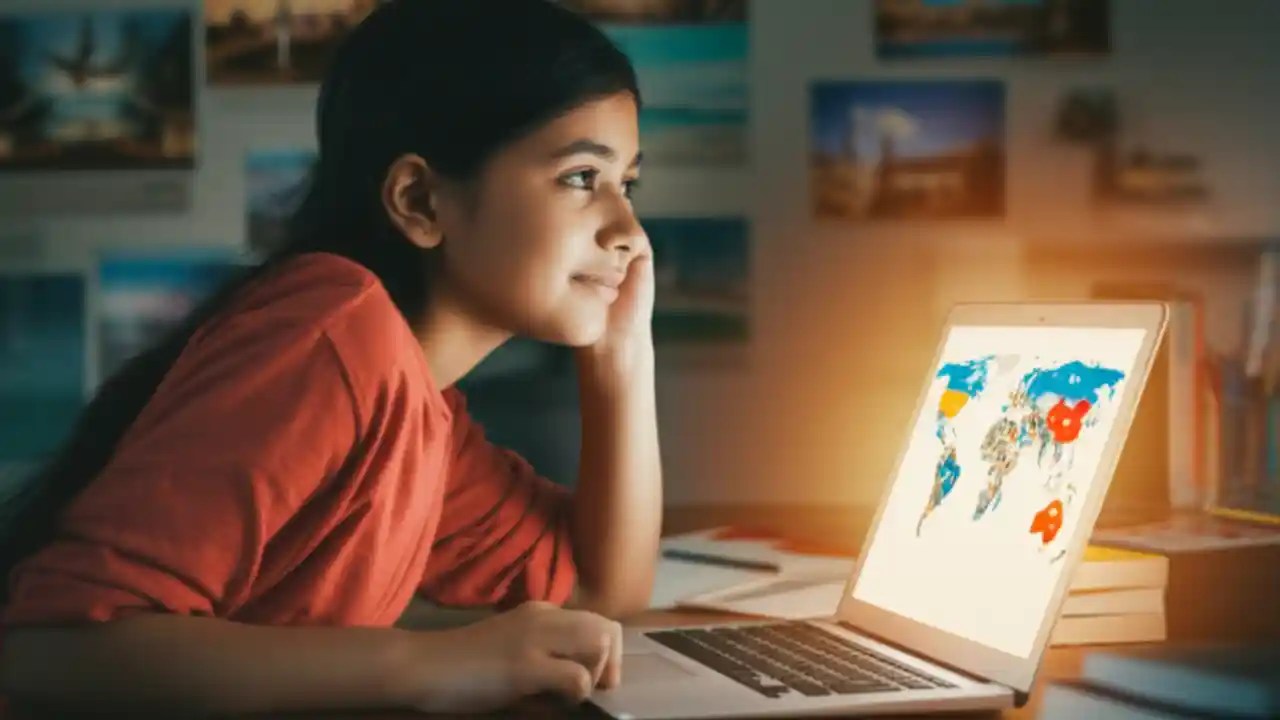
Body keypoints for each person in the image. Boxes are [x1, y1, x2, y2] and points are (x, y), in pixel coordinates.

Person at [0, 0, 661, 715]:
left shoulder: (417, 407)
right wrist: (429, 663)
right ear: (420, 201)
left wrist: (623, 356)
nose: (627, 229)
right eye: (579, 178)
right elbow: (47, 647)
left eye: (627, 184)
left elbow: (602, 593)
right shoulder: (335, 336)